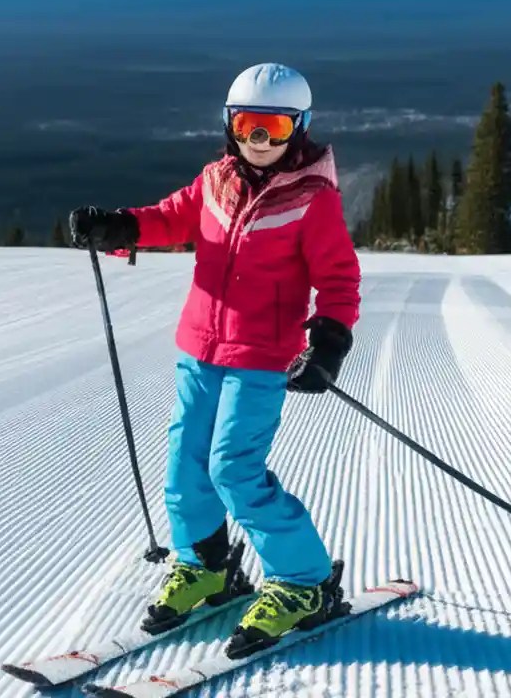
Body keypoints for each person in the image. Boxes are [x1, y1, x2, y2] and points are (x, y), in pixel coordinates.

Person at [68, 62, 361, 654]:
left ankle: (305, 582)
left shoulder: (313, 201)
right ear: (230, 125)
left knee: (234, 469)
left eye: (274, 129)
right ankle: (207, 566)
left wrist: (326, 343)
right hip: (201, 348)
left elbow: (338, 278)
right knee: (185, 465)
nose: (260, 142)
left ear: (298, 130)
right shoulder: (215, 181)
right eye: (249, 125)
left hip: (261, 358)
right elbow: (168, 218)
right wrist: (119, 225)